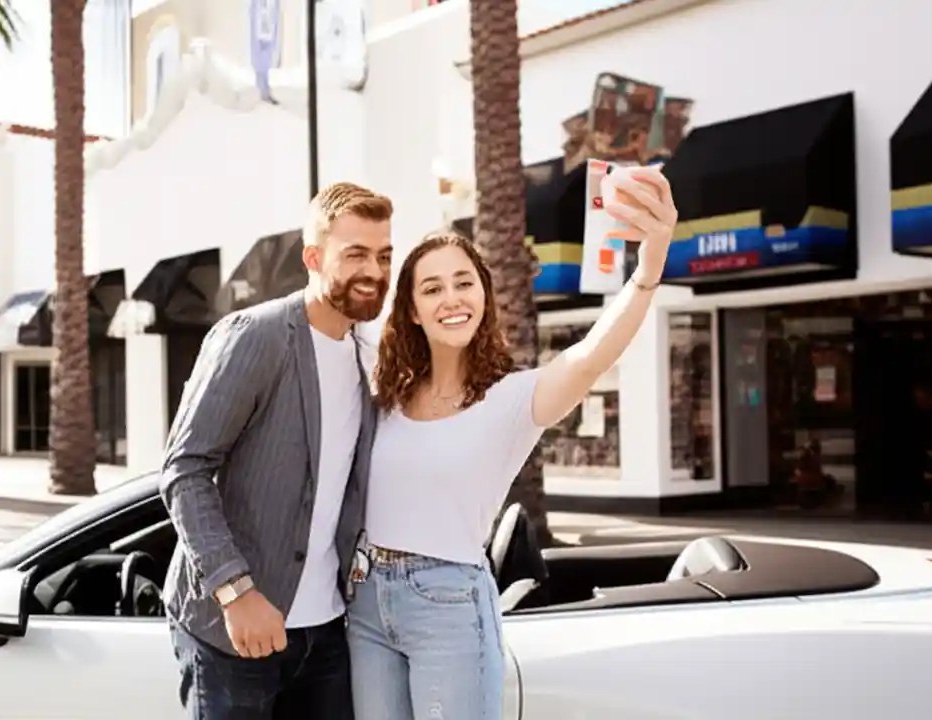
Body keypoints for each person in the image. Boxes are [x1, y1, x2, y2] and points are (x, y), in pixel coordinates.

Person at [348, 166, 678, 719]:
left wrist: (648, 269)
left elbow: (592, 353)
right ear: (411, 310)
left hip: (448, 602)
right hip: (366, 600)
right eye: (432, 288)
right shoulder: (387, 395)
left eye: (464, 283)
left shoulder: (512, 398)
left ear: (484, 295)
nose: (451, 299)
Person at [159, 181, 395, 719]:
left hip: (328, 630)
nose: (374, 271)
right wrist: (235, 591)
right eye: (355, 253)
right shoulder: (256, 335)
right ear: (313, 257)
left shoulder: (368, 355)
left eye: (383, 255)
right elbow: (184, 471)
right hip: (233, 634)